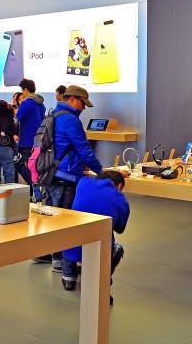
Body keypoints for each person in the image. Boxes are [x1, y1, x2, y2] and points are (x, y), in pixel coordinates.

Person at [39, 85, 103, 270]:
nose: (83, 109)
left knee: (53, 218)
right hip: (65, 177)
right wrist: (101, 172)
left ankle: (54, 256)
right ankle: (63, 263)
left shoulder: (53, 114)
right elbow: (84, 148)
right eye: (83, 104)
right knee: (65, 222)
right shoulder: (70, 120)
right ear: (74, 100)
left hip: (51, 172)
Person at [61, 170, 129, 302]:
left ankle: (68, 278)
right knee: (116, 247)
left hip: (69, 245)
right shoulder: (121, 200)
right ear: (119, 186)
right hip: (97, 248)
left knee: (71, 231)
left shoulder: (83, 182)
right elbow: (120, 229)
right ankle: (101, 281)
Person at [15, 79, 45, 201]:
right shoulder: (41, 105)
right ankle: (35, 194)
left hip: (26, 140)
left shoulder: (26, 103)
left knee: (18, 163)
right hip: (38, 140)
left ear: (26, 89)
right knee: (33, 167)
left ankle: (35, 186)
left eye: (22, 90)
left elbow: (18, 118)